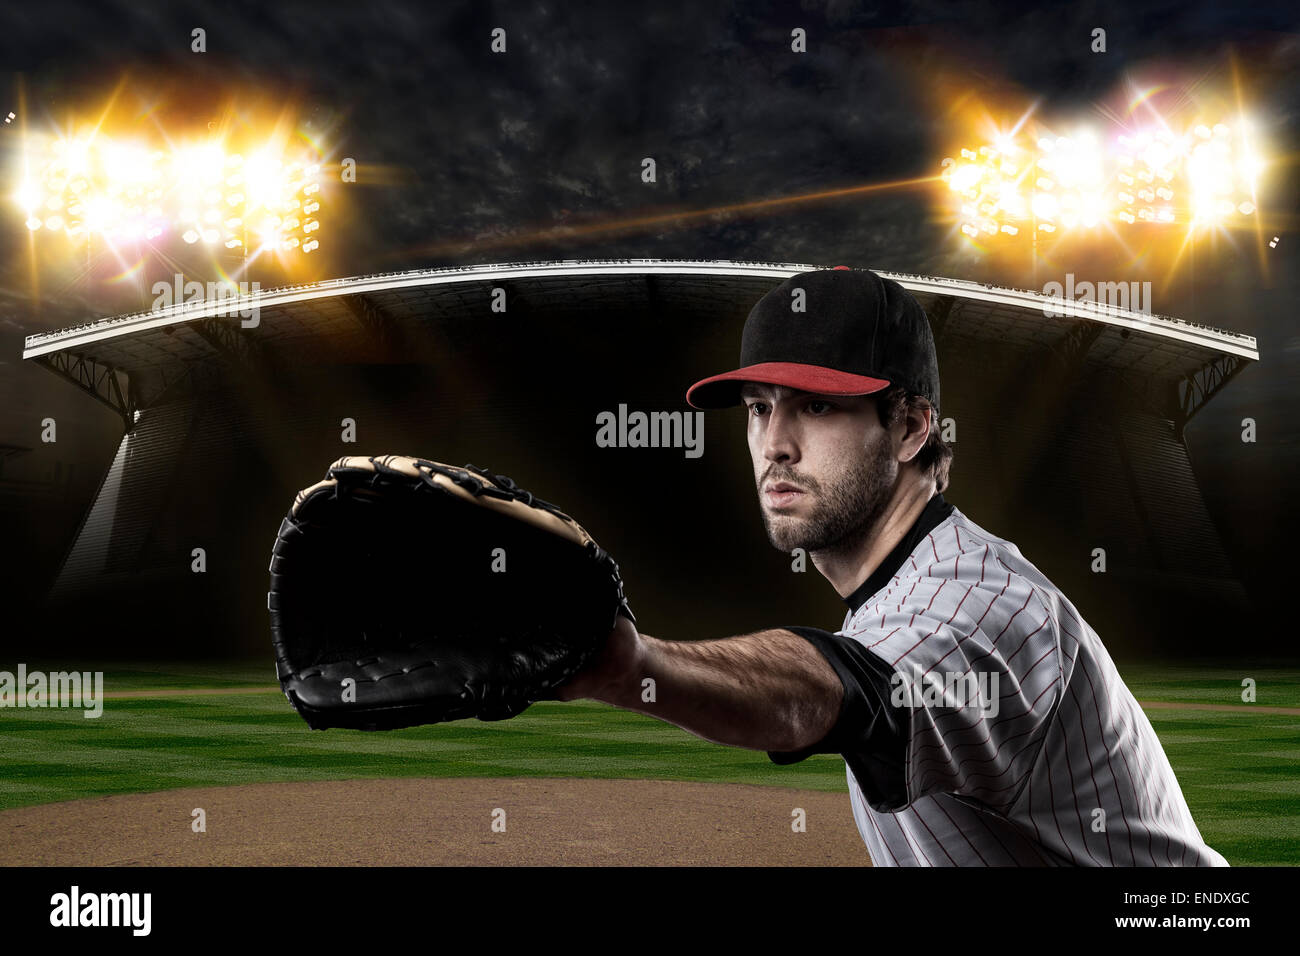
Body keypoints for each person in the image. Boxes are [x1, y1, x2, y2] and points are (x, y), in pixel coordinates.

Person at [560, 266, 1227, 867]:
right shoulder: (893, 590)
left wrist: (633, 667)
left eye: (817, 406)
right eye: (761, 408)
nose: (776, 446)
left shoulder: (983, 602)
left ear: (910, 427)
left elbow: (846, 693)